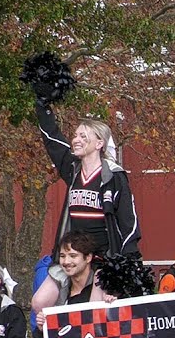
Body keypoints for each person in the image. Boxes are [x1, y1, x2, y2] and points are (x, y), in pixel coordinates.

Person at [36, 101, 140, 258]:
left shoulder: (114, 176)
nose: (76, 140)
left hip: (104, 257)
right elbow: (52, 139)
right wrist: (43, 106)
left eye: (83, 136)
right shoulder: (72, 169)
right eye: (75, 135)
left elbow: (128, 222)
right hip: (74, 256)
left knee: (97, 283)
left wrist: (128, 258)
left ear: (99, 143)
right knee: (46, 283)